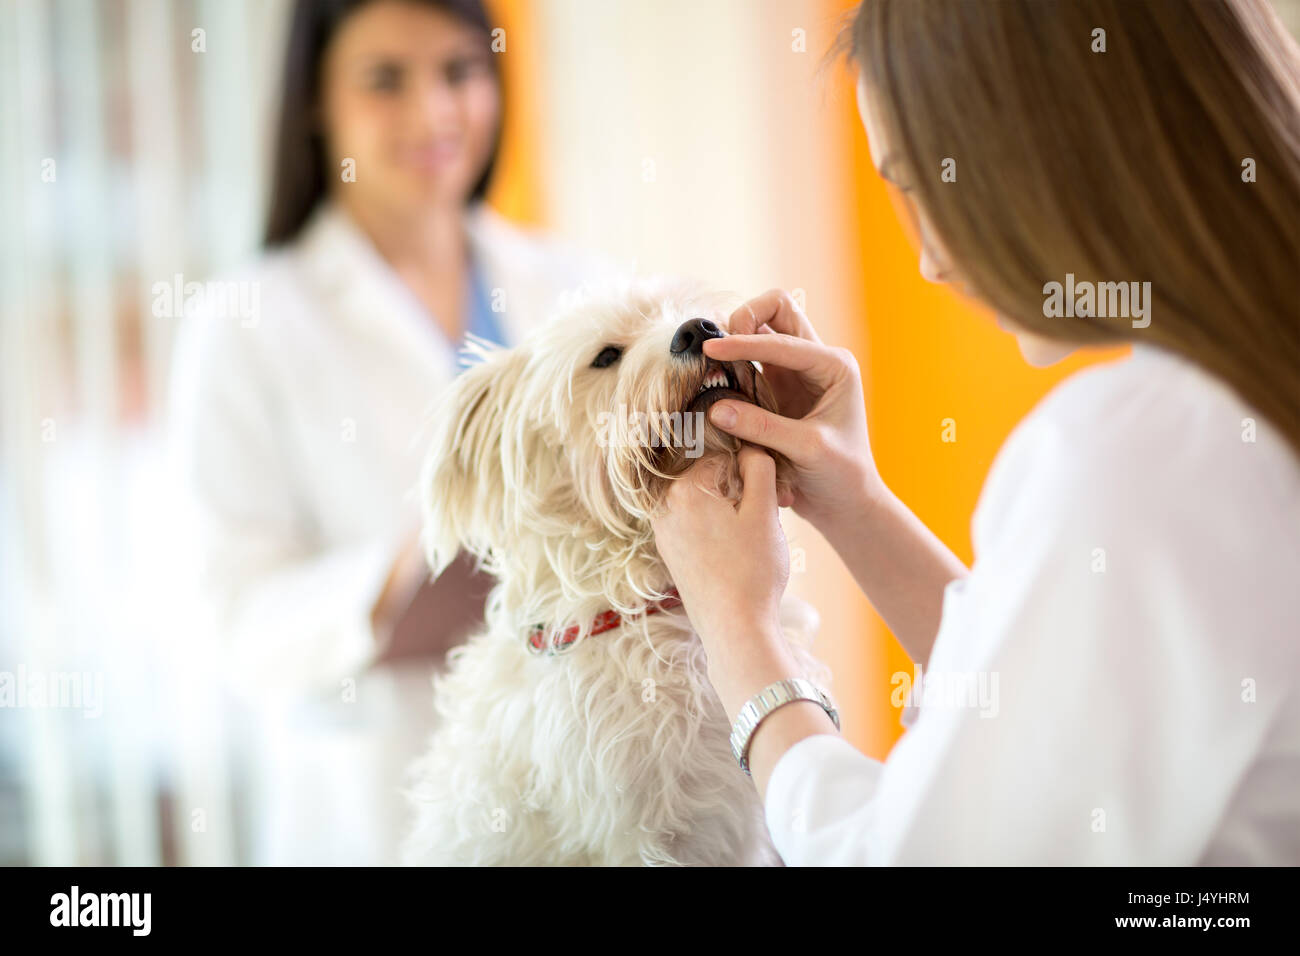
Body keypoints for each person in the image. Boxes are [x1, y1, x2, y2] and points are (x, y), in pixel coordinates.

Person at [651, 0, 1300, 864]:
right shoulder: (1225, 409)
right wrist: (856, 505)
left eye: (925, 184)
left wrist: (741, 633)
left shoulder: (1138, 445)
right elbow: (1067, 702)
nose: (929, 258)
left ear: (1051, 139)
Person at [168, 0, 616, 864]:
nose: (434, 114)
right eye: (385, 80)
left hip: (588, 784)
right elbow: (233, 621)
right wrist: (394, 581)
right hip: (375, 809)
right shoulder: (245, 323)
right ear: (316, 104)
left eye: (459, 72)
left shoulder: (577, 287)